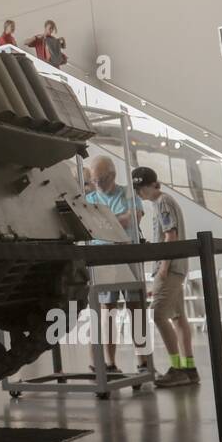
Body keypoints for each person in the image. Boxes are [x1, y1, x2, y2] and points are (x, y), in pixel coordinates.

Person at [132, 167, 198, 387]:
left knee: (159, 314)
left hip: (169, 267)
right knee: (178, 317)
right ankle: (189, 367)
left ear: (152, 185)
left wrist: (163, 268)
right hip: (174, 266)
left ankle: (177, 367)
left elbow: (171, 234)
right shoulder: (160, 203)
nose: (140, 193)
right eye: (137, 189)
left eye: (142, 188)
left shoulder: (162, 202)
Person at [83, 156, 148, 376]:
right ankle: (110, 364)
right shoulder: (90, 198)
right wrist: (114, 220)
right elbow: (89, 225)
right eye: (94, 179)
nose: (98, 183)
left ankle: (143, 362)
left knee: (136, 309)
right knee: (107, 312)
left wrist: (103, 223)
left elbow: (132, 219)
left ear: (112, 175)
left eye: (101, 178)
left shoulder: (127, 193)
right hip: (103, 260)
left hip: (128, 257)